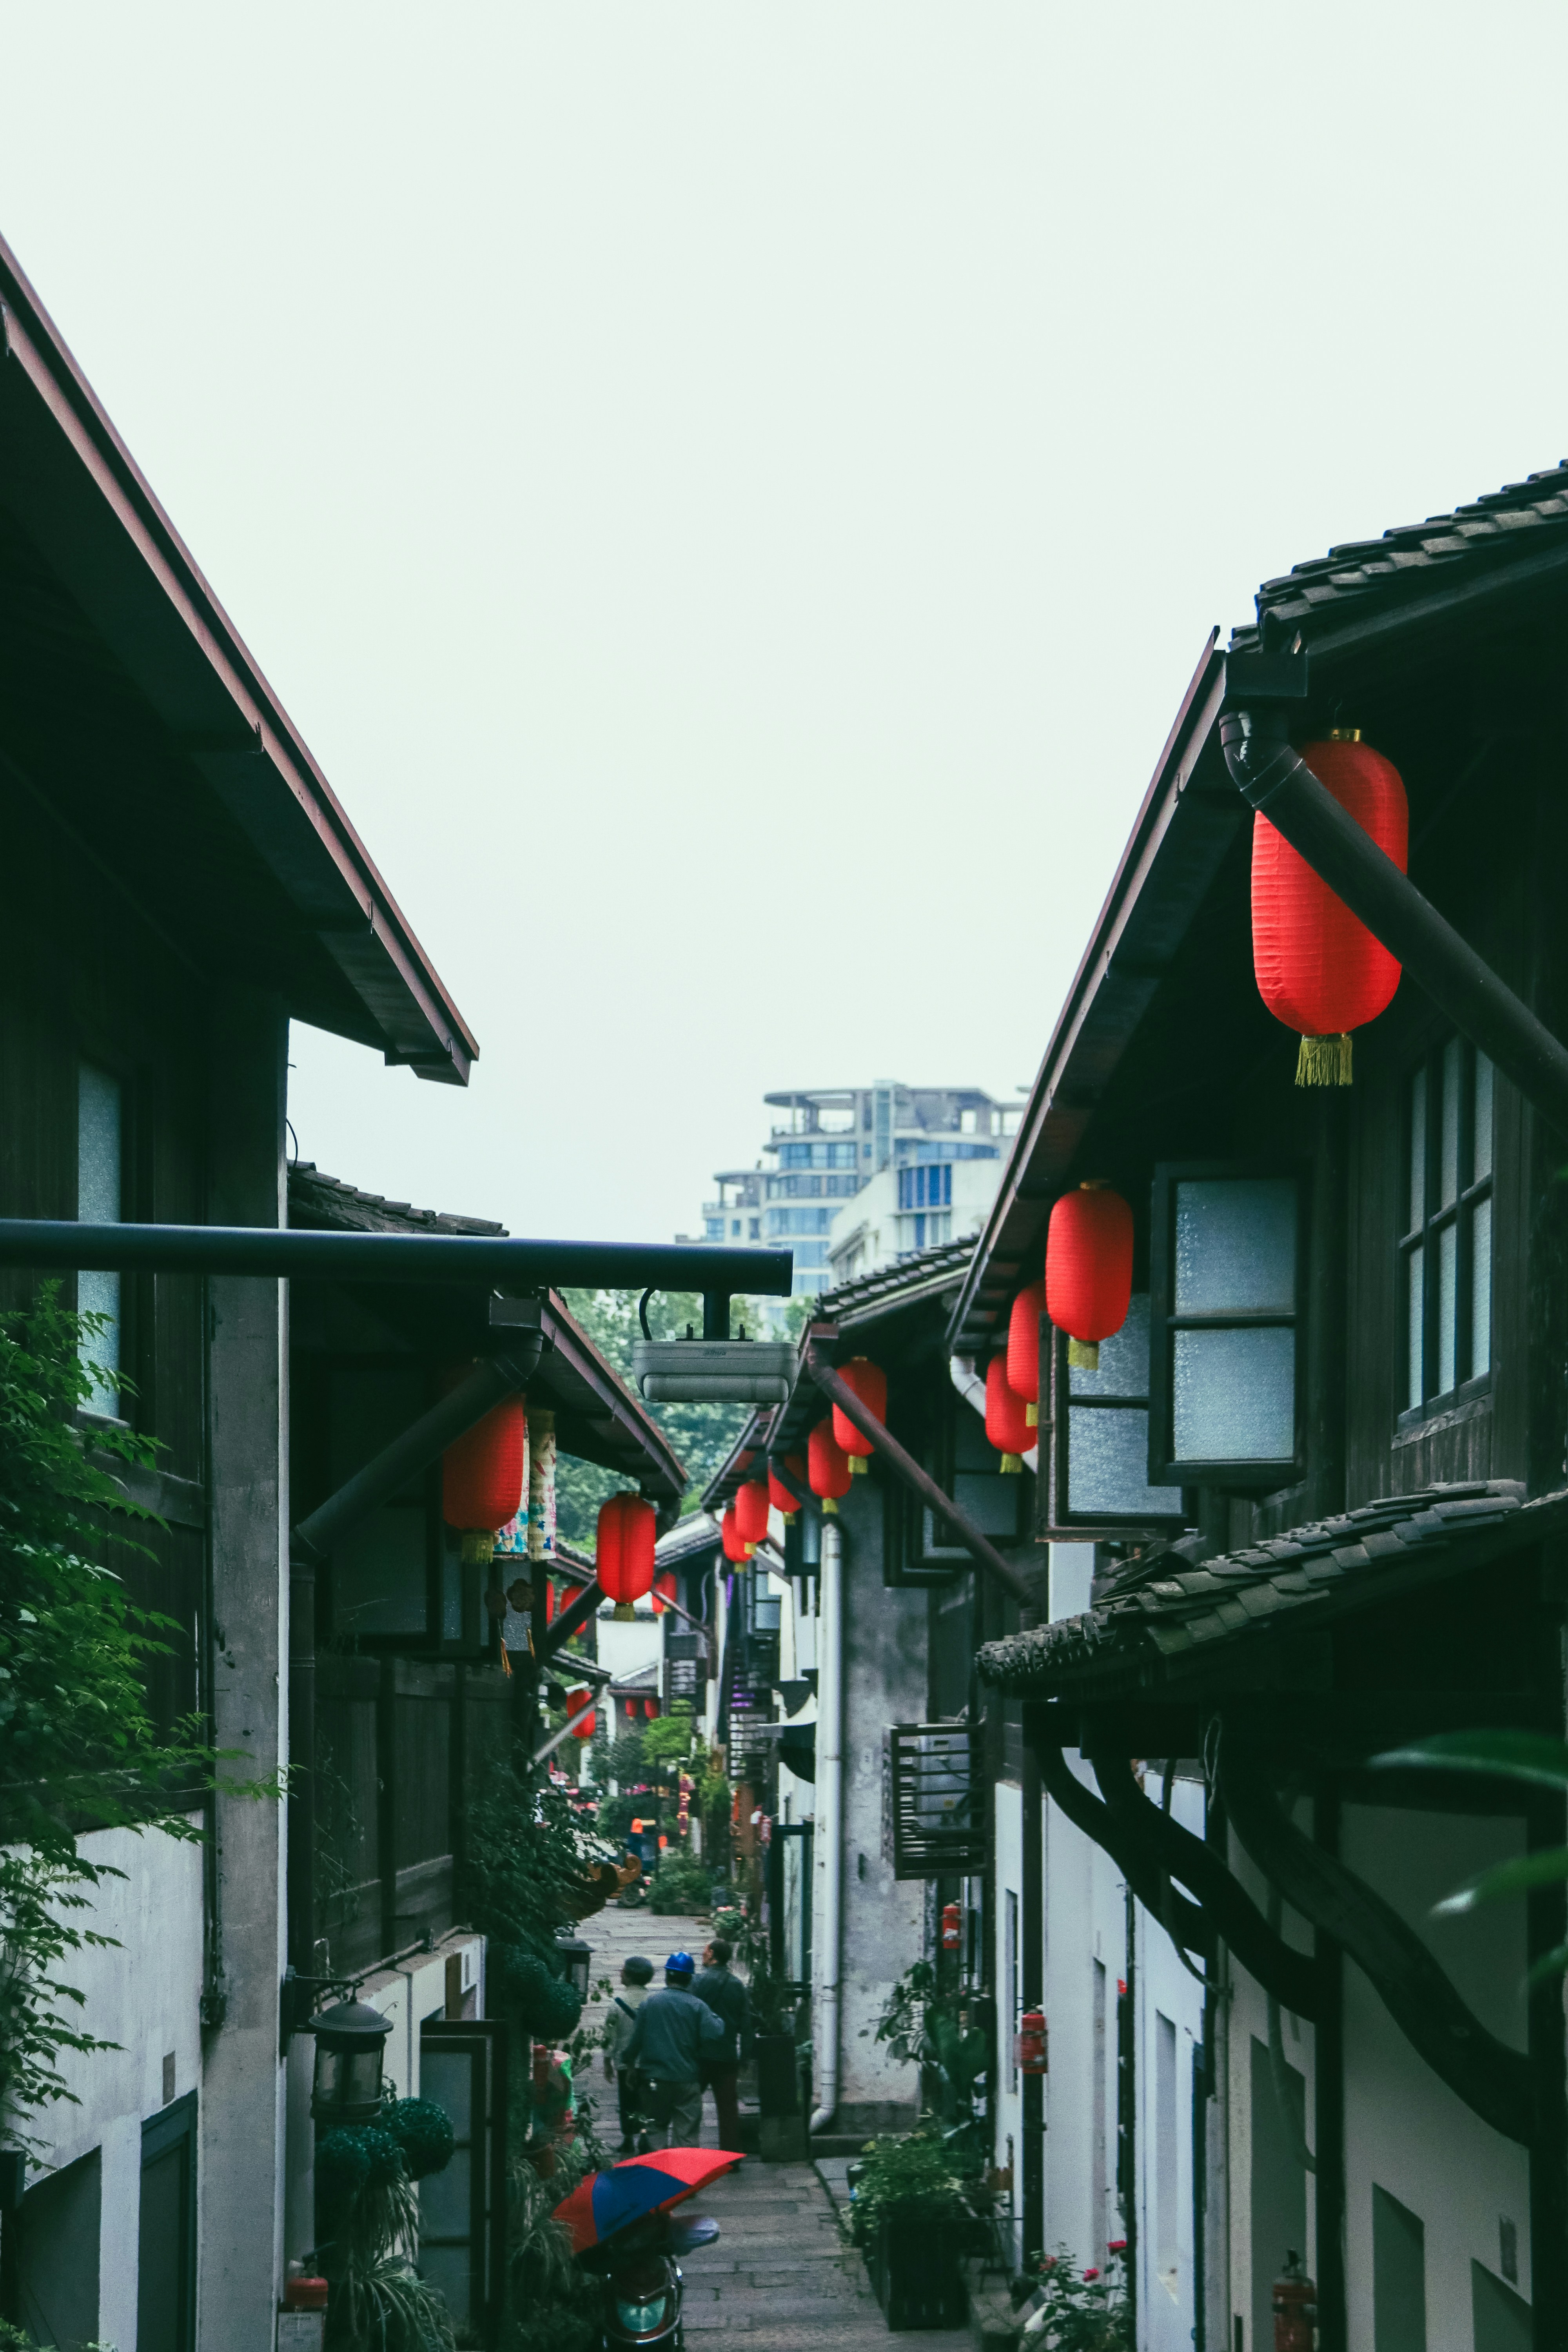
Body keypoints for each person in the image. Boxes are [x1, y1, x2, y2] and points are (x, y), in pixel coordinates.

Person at [620, 1950, 724, 2149]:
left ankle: (658, 2177)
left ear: (667, 1976)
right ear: (689, 1979)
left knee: (655, 2129)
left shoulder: (650, 2004)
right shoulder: (698, 2006)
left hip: (654, 2081)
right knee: (686, 2136)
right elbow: (717, 2031)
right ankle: (683, 2178)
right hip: (687, 2080)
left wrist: (631, 2066)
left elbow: (635, 2043)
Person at [692, 1936, 752, 2152]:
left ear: (711, 1955)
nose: (702, 1954)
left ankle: (689, 2153)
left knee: (690, 2106)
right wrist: (745, 2056)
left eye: (705, 1951)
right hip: (726, 2055)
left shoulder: (696, 1983)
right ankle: (731, 2156)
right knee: (728, 2110)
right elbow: (746, 2024)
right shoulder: (736, 1985)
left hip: (698, 2055)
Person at [602, 1955, 655, 2152]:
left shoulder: (617, 2004)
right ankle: (644, 2136)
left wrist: (607, 2062)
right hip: (648, 2061)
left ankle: (628, 2139)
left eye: (623, 1970)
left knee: (626, 2101)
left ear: (630, 1976)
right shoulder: (654, 2001)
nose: (621, 1973)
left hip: (625, 2062)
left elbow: (610, 2037)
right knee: (646, 2100)